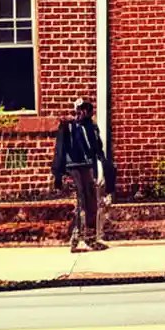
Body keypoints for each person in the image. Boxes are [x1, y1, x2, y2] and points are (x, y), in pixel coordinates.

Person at [53, 98, 110, 252]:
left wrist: (102, 167)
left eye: (87, 109)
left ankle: (90, 238)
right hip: (73, 167)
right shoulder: (68, 127)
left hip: (88, 167)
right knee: (80, 203)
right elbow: (60, 150)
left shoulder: (92, 127)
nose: (84, 113)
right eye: (80, 109)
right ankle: (77, 239)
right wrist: (59, 174)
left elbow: (98, 148)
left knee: (92, 202)